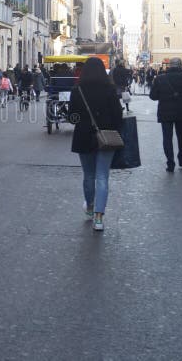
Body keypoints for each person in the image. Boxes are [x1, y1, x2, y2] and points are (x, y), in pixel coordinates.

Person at [69, 57, 123, 232]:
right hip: (106, 137)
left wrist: (80, 120)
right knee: (102, 176)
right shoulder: (110, 89)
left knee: (89, 175)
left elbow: (72, 117)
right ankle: (99, 217)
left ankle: (90, 207)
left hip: (84, 136)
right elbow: (118, 116)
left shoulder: (77, 90)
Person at [149, 57, 182, 172]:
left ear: (169, 65)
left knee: (167, 138)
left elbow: (153, 96)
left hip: (165, 112)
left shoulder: (160, 78)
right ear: (180, 65)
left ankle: (170, 163)